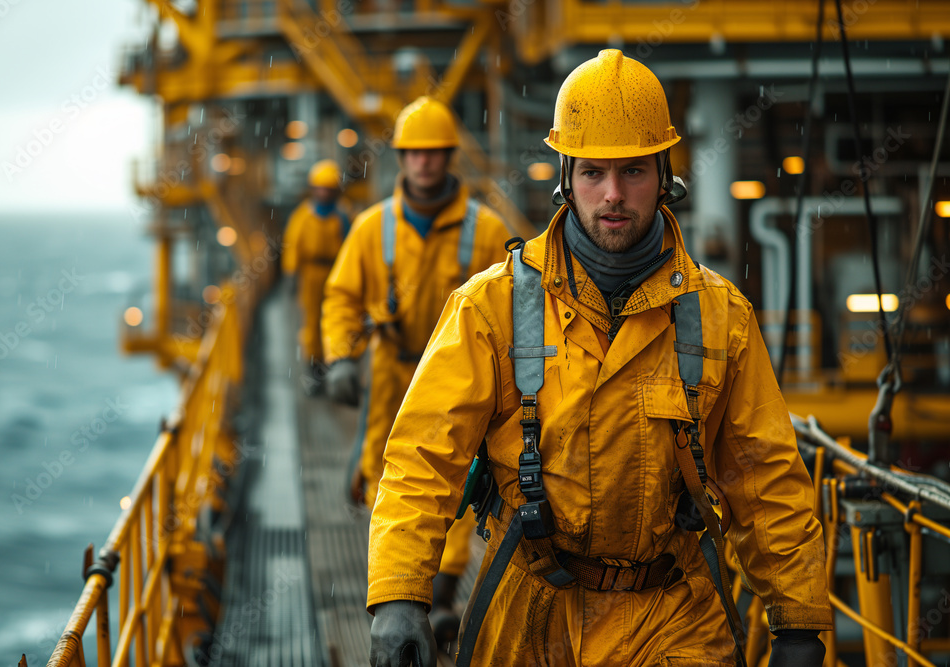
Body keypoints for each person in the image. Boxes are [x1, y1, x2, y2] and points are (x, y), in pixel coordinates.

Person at [366, 50, 833, 667]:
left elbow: (765, 479)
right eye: (593, 172)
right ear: (565, 177)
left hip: (673, 618)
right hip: (528, 611)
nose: (613, 195)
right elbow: (423, 459)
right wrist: (399, 594)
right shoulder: (491, 307)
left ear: (664, 174)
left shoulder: (723, 317)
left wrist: (799, 622)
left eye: (633, 171)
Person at [320, 96, 512, 643]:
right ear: (402, 158)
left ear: (449, 155)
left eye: (433, 152)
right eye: (414, 153)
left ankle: (441, 594)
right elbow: (341, 297)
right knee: (388, 472)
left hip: (461, 378)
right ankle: (396, 585)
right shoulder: (371, 229)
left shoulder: (486, 230)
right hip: (393, 371)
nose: (424, 162)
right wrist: (340, 357)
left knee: (461, 472)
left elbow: (513, 301)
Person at [281, 159, 351, 394]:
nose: (324, 194)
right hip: (310, 275)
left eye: (328, 189)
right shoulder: (303, 216)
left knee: (337, 318)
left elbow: (352, 245)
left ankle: (335, 367)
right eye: (320, 189)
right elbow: (292, 246)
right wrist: (291, 274)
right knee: (312, 323)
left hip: (336, 274)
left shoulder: (343, 215)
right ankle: (314, 373)